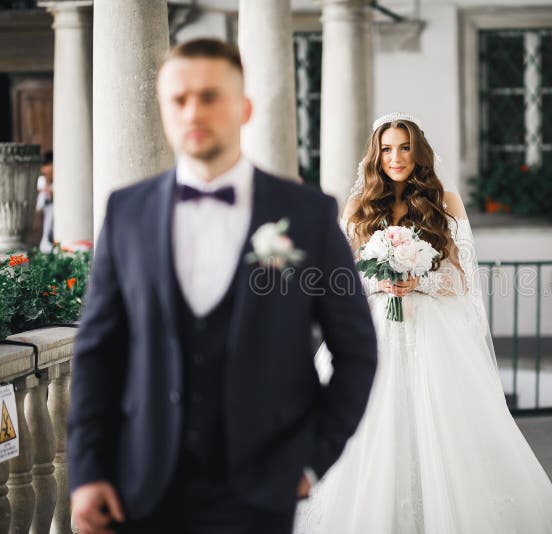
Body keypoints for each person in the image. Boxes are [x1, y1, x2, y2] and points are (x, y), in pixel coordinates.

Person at [67, 38, 377, 534]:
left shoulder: (308, 214)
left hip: (260, 490)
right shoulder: (126, 212)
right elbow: (96, 352)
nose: (194, 111)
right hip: (140, 485)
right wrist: (85, 471)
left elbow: (357, 350)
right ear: (164, 111)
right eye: (179, 99)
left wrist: (313, 459)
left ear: (244, 107)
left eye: (210, 96)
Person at [294, 113, 552, 533]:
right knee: (373, 430)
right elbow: (341, 278)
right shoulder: (359, 206)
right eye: (387, 149)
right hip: (378, 332)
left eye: (404, 147)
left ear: (417, 150)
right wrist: (382, 280)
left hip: (431, 331)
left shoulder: (445, 200)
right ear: (376, 155)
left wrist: (418, 277)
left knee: (442, 427)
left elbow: (462, 279)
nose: (396, 157)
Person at [36, 150, 54, 252]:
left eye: (47, 165)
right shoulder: (43, 187)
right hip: (46, 242)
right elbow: (38, 210)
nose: (44, 170)